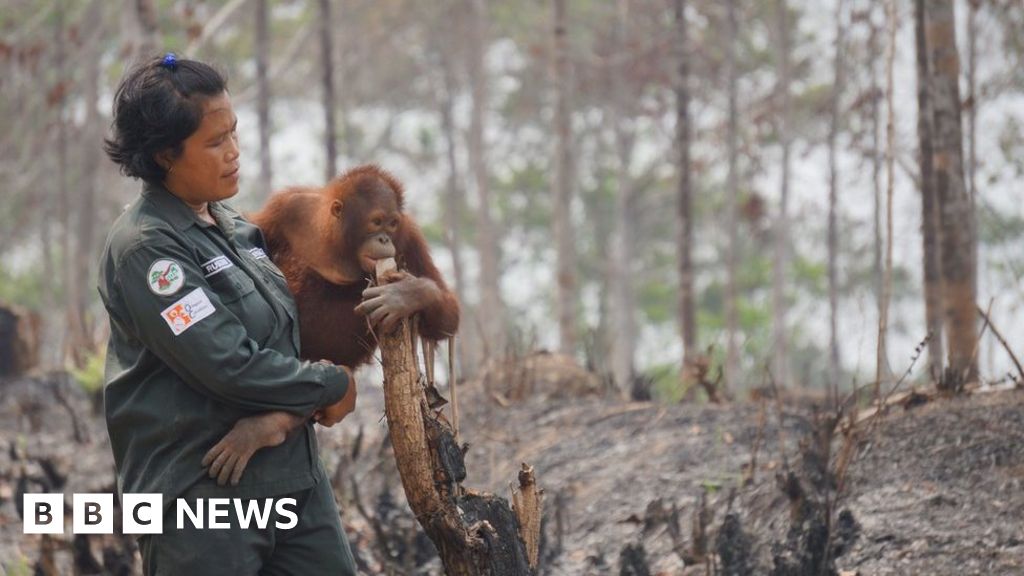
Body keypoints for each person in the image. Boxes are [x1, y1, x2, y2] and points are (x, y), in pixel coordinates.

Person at [98, 53, 358, 575]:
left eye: (234, 133)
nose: (235, 153)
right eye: (215, 143)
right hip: (200, 499)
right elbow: (228, 365)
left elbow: (280, 346)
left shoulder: (236, 229)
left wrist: (284, 417)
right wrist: (329, 385)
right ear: (166, 156)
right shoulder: (149, 250)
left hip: (291, 482)